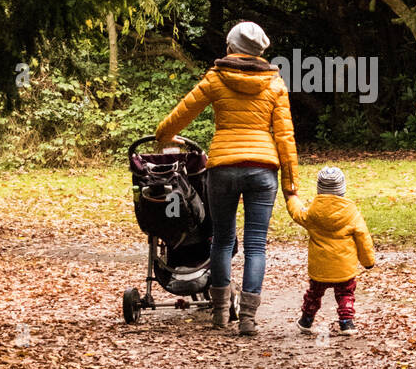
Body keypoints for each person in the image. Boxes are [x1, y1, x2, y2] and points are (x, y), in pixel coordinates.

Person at [153, 22, 298, 335]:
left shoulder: (216, 78)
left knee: (221, 240)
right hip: (263, 169)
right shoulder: (274, 83)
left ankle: (220, 313)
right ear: (260, 52)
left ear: (231, 48)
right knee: (256, 245)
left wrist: (164, 135)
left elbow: (183, 111)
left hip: (223, 167)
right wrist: (291, 186)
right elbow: (285, 137)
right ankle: (247, 318)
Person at [285, 165, 374, 336]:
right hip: (344, 268)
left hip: (320, 267)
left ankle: (306, 320)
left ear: (320, 188)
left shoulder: (313, 212)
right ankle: (347, 323)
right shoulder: (351, 212)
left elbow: (298, 213)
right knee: (345, 294)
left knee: (314, 294)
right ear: (342, 189)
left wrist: (292, 198)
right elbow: (363, 237)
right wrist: (368, 262)